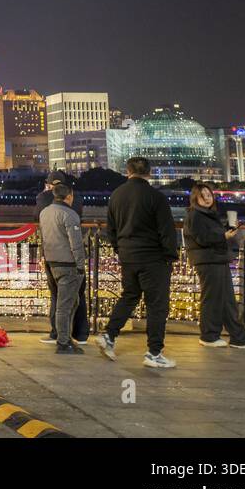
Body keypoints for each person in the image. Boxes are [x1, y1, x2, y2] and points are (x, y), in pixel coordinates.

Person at [96, 157, 179, 368]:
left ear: (128, 171)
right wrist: (170, 256)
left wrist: (119, 249)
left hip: (128, 257)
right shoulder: (156, 197)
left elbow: (111, 229)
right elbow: (166, 230)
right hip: (153, 258)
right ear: (149, 173)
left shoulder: (116, 195)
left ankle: (109, 335)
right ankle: (154, 352)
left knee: (129, 296)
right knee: (157, 306)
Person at [184, 183, 245, 350]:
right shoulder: (195, 215)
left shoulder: (207, 215)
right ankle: (211, 336)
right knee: (213, 299)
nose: (207, 198)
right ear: (195, 198)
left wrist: (228, 230)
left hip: (216, 259)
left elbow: (211, 235)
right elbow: (202, 238)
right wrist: (223, 235)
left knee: (226, 300)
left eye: (209, 195)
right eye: (203, 195)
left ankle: (236, 337)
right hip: (208, 260)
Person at [36, 170, 89, 344]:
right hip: (69, 261)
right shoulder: (74, 206)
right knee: (73, 299)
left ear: (50, 187)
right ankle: (72, 337)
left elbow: (37, 216)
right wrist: (81, 264)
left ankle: (57, 334)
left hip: (51, 258)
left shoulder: (44, 203)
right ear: (69, 192)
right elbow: (76, 243)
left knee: (58, 298)